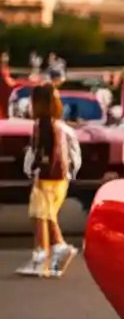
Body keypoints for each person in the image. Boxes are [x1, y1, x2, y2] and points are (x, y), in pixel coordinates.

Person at [18, 84, 81, 277]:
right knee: (48, 216)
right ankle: (60, 249)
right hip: (61, 180)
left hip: (46, 179)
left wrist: (36, 172)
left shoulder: (43, 126)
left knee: (40, 217)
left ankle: (41, 258)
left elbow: (41, 155)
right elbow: (75, 157)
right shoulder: (64, 128)